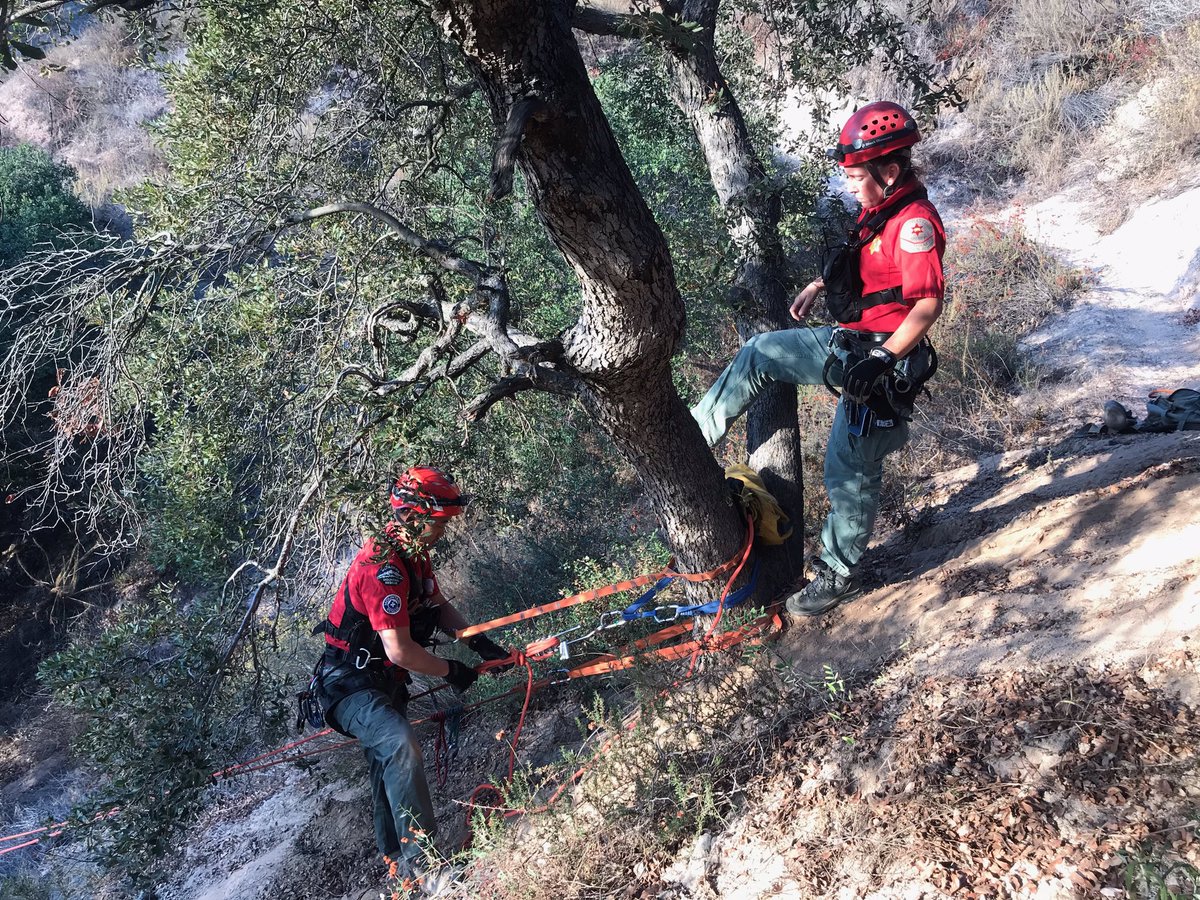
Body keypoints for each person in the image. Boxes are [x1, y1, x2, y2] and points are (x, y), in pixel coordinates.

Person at [691, 101, 945, 618]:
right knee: (760, 352)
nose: (849, 186)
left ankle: (832, 579)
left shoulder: (914, 223)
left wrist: (883, 357)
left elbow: (927, 303)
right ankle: (694, 436)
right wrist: (817, 284)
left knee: (847, 470)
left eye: (856, 177)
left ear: (889, 171)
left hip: (881, 364)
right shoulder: (883, 209)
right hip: (848, 341)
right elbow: (869, 267)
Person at [311, 465, 512, 881]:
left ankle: (396, 862)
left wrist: (477, 640)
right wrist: (452, 671)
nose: (442, 531)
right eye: (438, 523)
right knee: (399, 746)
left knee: (385, 762)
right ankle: (427, 867)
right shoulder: (381, 568)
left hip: (382, 682)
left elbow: (436, 605)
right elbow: (400, 650)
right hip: (349, 688)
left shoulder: (414, 555)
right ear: (412, 515)